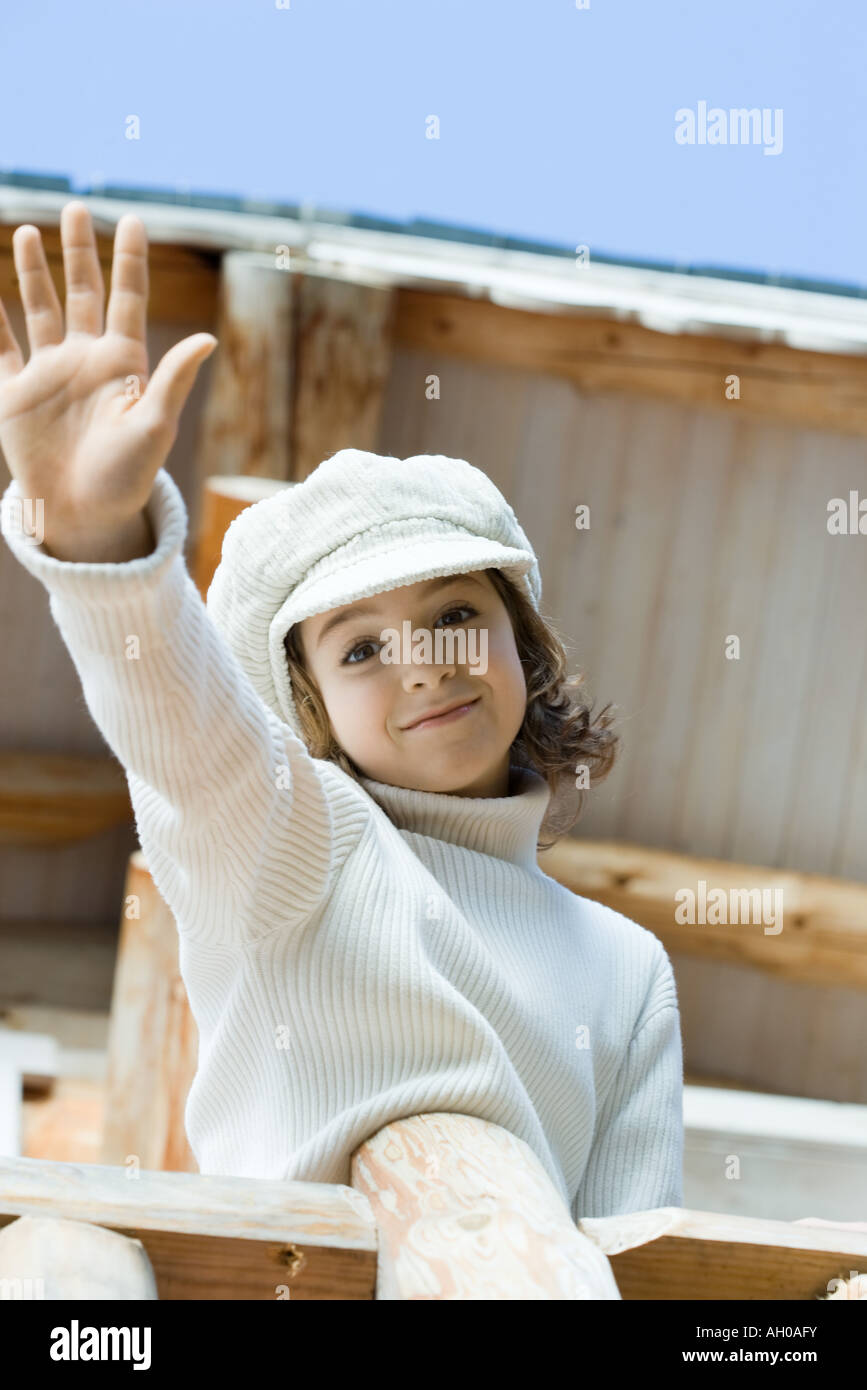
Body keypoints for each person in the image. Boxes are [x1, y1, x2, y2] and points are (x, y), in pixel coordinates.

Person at [0, 202, 684, 1222]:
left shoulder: (628, 970)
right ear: (306, 710)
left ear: (522, 642)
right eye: (359, 646)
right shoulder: (295, 842)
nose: (420, 667)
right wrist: (102, 542)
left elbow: (639, 1255)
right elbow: (192, 743)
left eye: (453, 610)